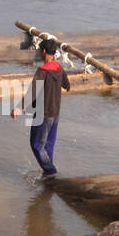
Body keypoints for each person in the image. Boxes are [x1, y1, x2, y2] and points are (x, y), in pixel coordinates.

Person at [11, 38, 71, 180]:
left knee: (36, 144)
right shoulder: (58, 67)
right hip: (55, 113)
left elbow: (32, 91)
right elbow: (67, 85)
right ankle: (48, 173)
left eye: (40, 50)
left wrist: (19, 107)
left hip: (43, 114)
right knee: (48, 144)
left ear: (43, 51)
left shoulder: (42, 71)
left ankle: (50, 170)